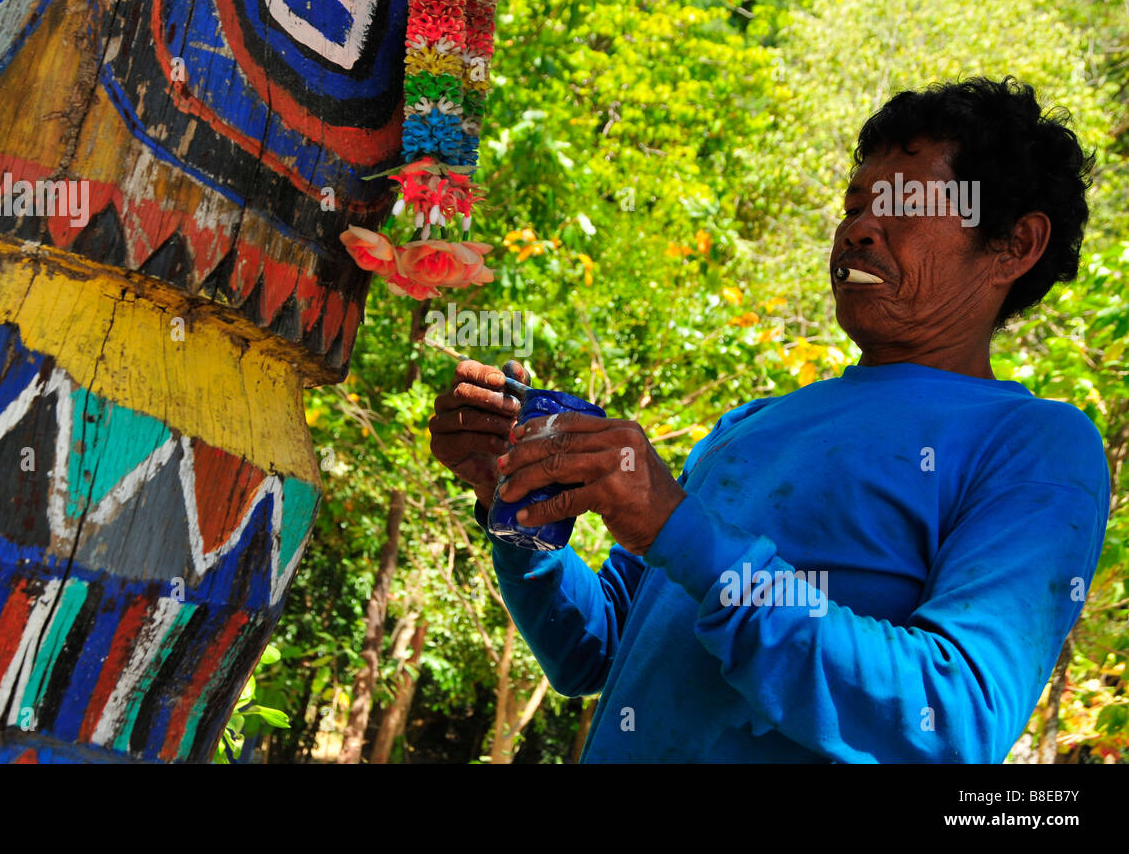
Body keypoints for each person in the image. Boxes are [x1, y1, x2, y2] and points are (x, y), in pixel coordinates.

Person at [427, 76, 1111, 762]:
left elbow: (952, 714)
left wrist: (680, 527)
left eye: (904, 204)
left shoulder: (1037, 445)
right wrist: (517, 506)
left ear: (1014, 245)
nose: (859, 230)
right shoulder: (745, 426)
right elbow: (596, 648)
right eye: (853, 206)